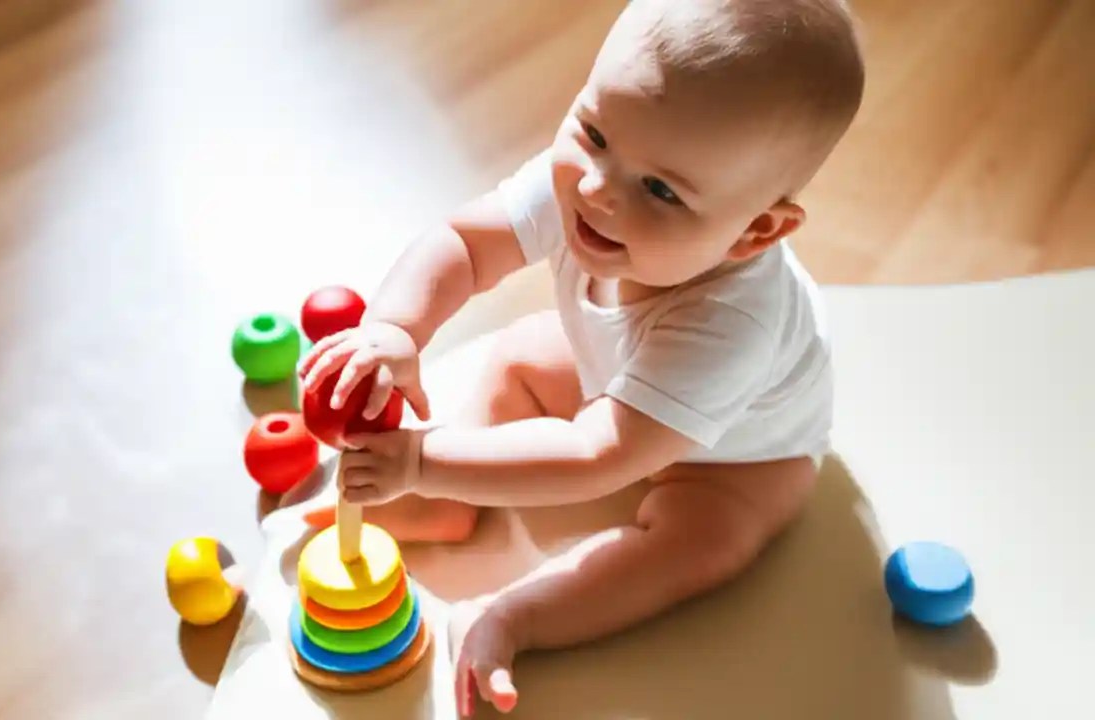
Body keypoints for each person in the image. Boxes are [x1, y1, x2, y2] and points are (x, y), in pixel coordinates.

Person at [298, 0, 865, 714]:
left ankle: (516, 616)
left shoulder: (734, 320)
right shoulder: (599, 176)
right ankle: (445, 508)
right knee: (517, 357)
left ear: (755, 231)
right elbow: (466, 244)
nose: (596, 192)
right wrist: (396, 329)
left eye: (660, 190)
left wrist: (419, 458)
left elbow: (601, 453)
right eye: (593, 132)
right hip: (621, 378)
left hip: (742, 456)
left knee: (702, 545)